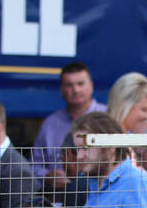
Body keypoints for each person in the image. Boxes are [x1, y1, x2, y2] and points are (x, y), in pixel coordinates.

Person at [29, 62, 107, 192]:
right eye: (69, 85)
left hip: (102, 196)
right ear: (61, 89)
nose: (75, 90)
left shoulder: (107, 118)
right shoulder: (50, 124)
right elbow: (33, 166)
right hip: (59, 197)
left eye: (80, 84)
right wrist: (47, 175)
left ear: (91, 86)